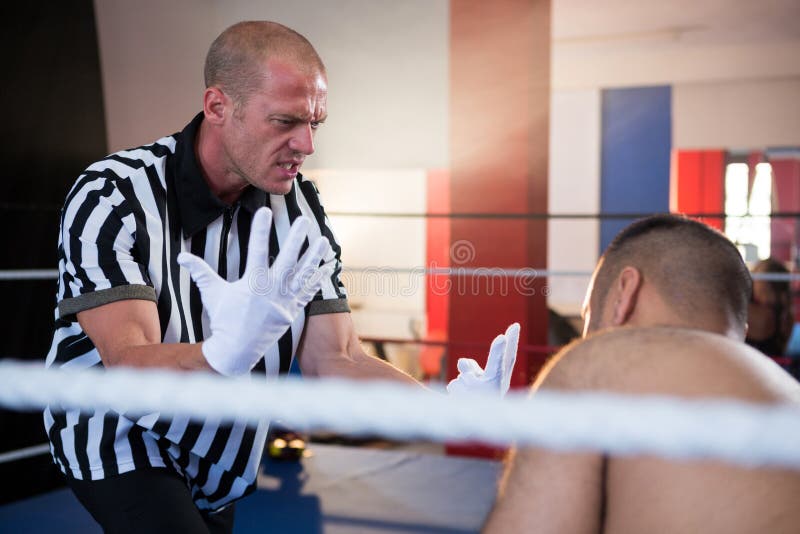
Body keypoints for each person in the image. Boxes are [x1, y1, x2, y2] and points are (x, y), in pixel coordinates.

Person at [43, 20, 516, 532]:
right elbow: (128, 362)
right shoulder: (112, 195)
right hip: (119, 436)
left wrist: (442, 411)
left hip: (220, 455)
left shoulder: (300, 209)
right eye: (285, 121)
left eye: (315, 123)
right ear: (218, 107)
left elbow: (337, 359)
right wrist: (219, 355)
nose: (307, 144)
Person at [485, 215, 800, 533]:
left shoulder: (593, 364)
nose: (585, 336)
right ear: (742, 331)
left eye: (589, 315)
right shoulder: (784, 392)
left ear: (623, 294)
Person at [746, 258, 795, 357]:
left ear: (767, 286)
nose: (752, 282)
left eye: (756, 279)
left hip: (759, 363)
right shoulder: (785, 312)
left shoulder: (766, 317)